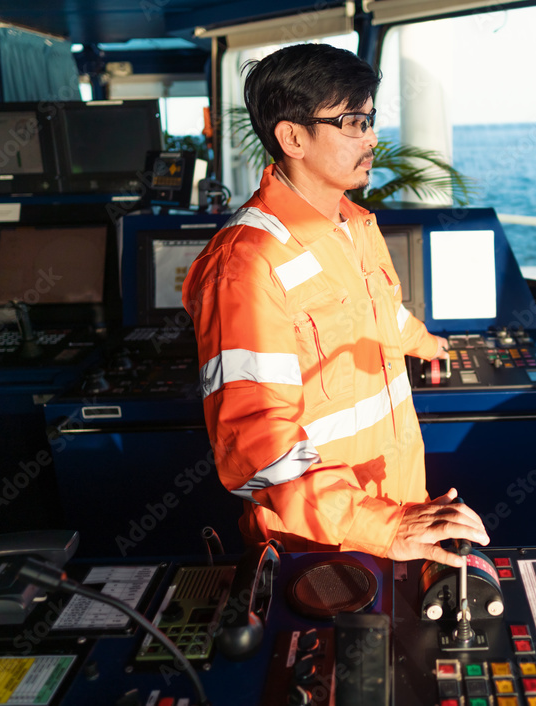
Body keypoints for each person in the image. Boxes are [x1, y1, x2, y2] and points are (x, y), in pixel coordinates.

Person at [182, 43, 489, 567]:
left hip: (393, 504)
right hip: (319, 543)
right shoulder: (245, 264)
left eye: (370, 119)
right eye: (352, 121)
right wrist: (380, 525)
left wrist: (435, 346)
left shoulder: (355, 224)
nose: (371, 137)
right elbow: (256, 443)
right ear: (293, 137)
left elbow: (381, 314)